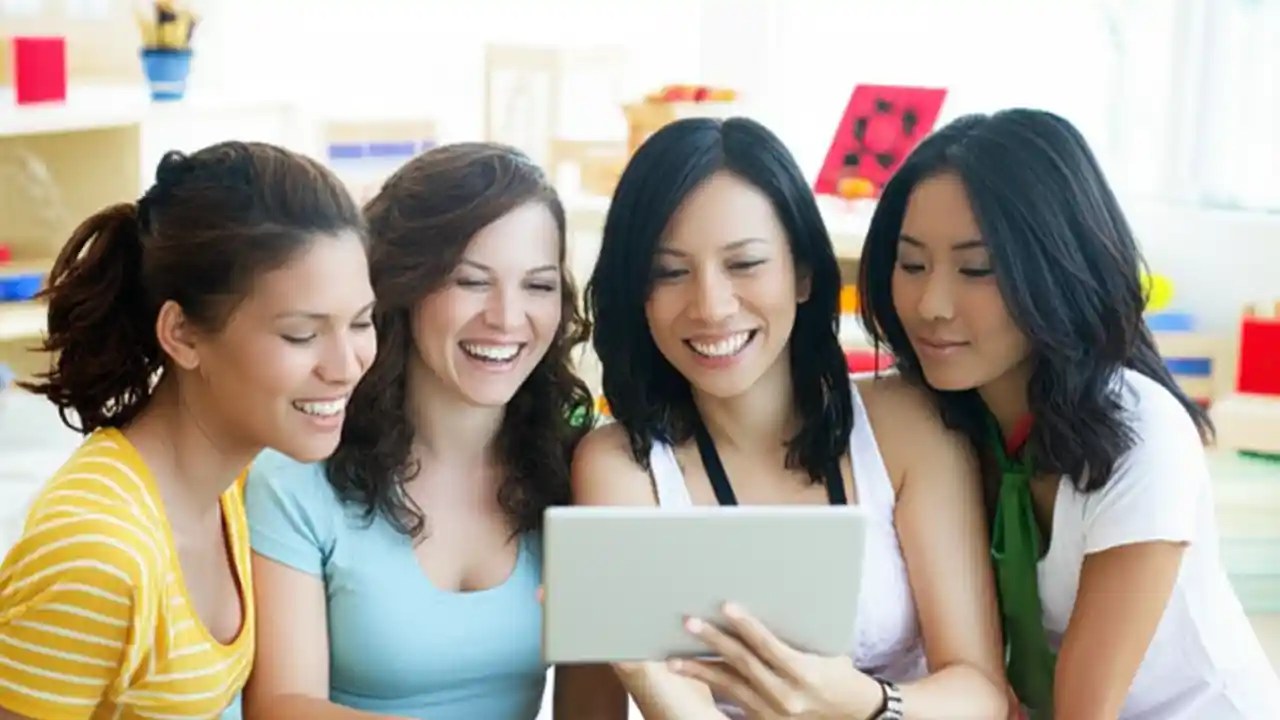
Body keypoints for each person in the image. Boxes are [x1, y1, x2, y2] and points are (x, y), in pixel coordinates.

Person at [562, 116, 1009, 719]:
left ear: (802, 273)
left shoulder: (906, 424)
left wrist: (865, 705)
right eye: (669, 273)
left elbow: (980, 693)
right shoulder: (623, 468)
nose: (711, 306)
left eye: (744, 264)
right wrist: (650, 680)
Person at [858, 108, 1280, 719]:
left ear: (1056, 268)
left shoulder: (1144, 435)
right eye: (913, 264)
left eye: (978, 269)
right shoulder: (926, 418)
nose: (933, 304)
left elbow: (1087, 710)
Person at [0, 141, 375, 720]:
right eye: (302, 334)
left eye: (361, 322)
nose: (346, 365)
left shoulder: (229, 484)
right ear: (182, 334)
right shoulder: (100, 556)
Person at [241, 142, 597, 720]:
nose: (507, 318)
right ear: (404, 284)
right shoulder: (299, 470)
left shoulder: (579, 466)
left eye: (538, 285)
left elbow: (590, 709)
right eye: (470, 281)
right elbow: (281, 708)